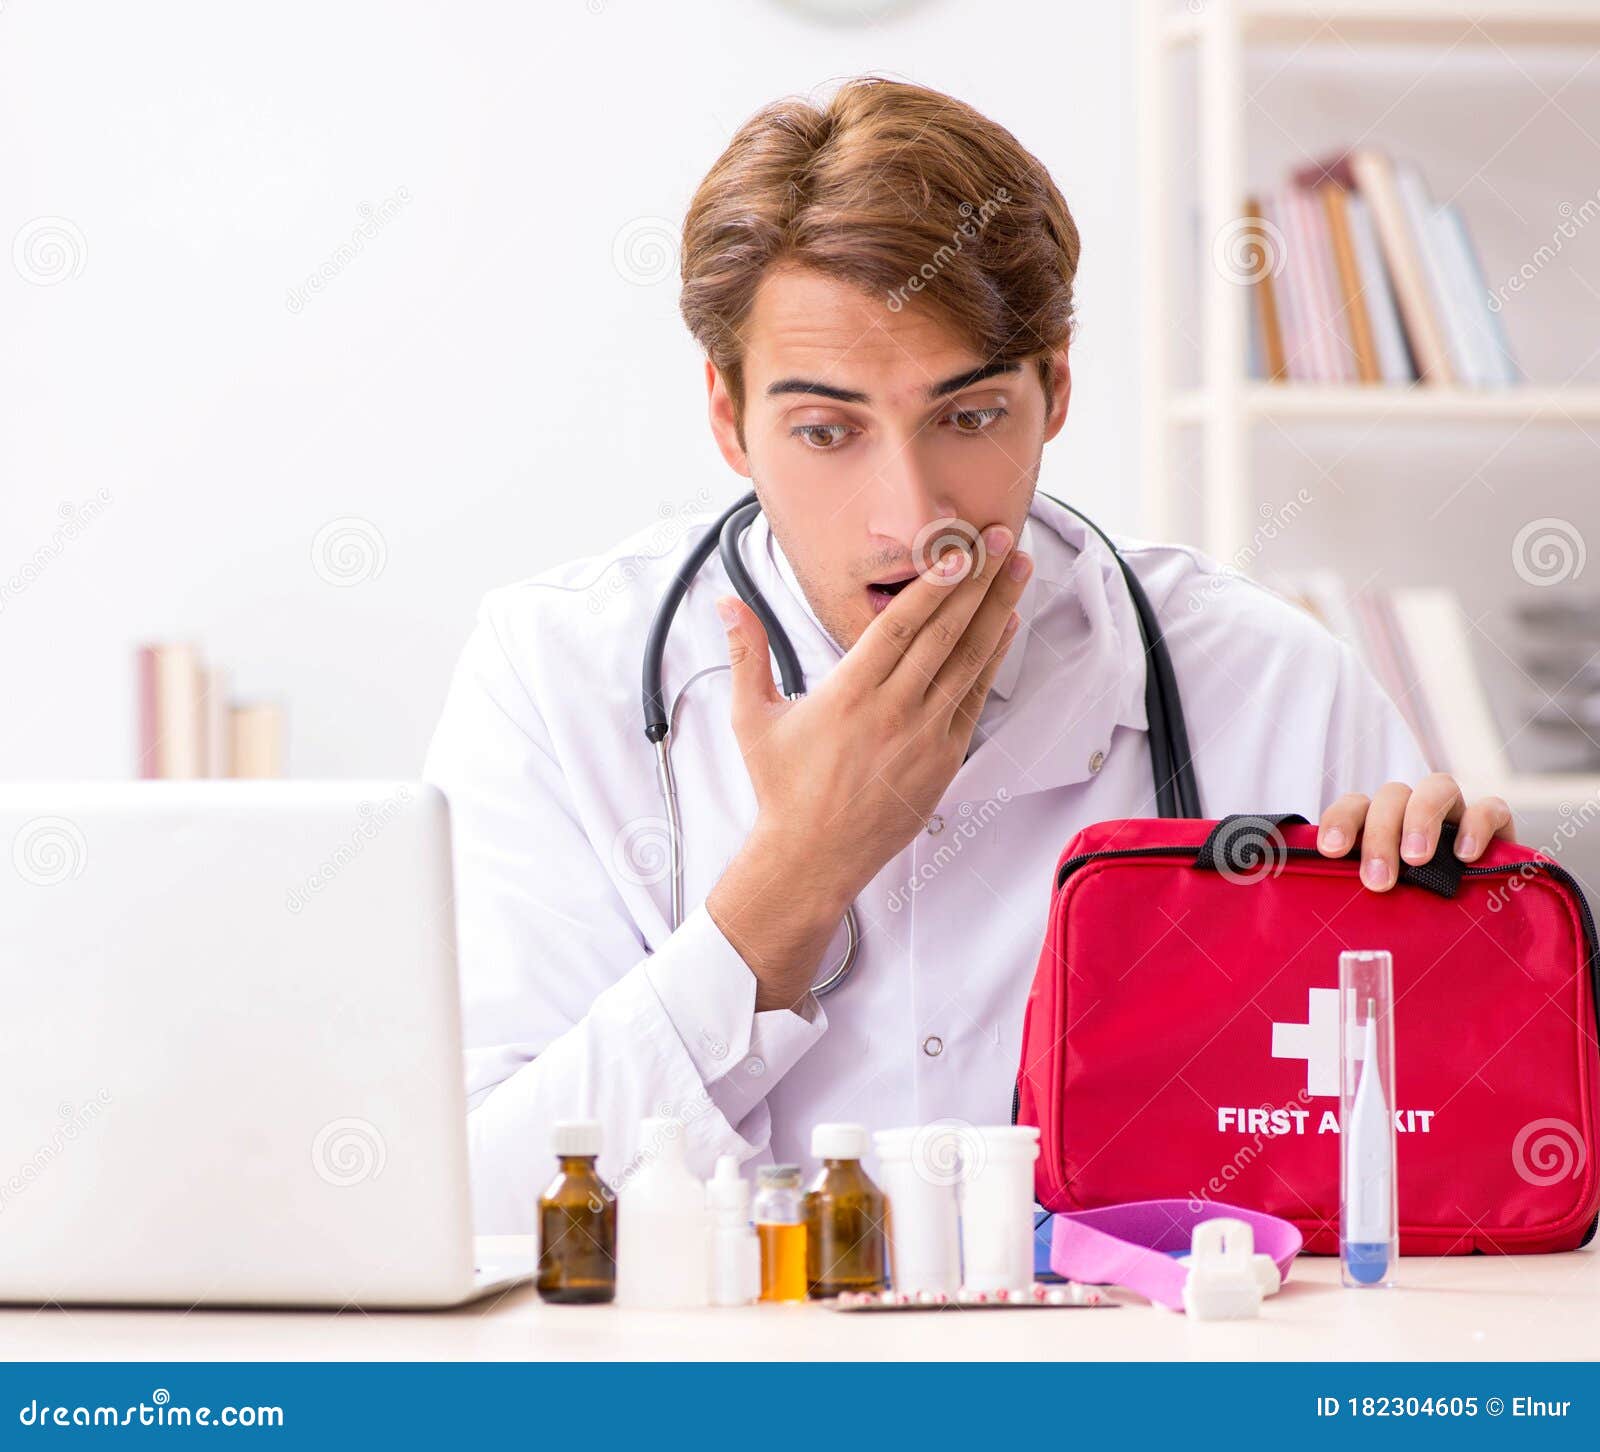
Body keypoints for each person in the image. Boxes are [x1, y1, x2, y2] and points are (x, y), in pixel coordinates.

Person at [422, 77, 1515, 1232]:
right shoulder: (551, 679)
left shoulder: (1269, 685)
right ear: (727, 419)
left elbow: (1447, 1181)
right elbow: (473, 1206)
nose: (912, 519)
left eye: (969, 416)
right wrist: (790, 882)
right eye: (825, 431)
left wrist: (1458, 962)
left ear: (1053, 389)